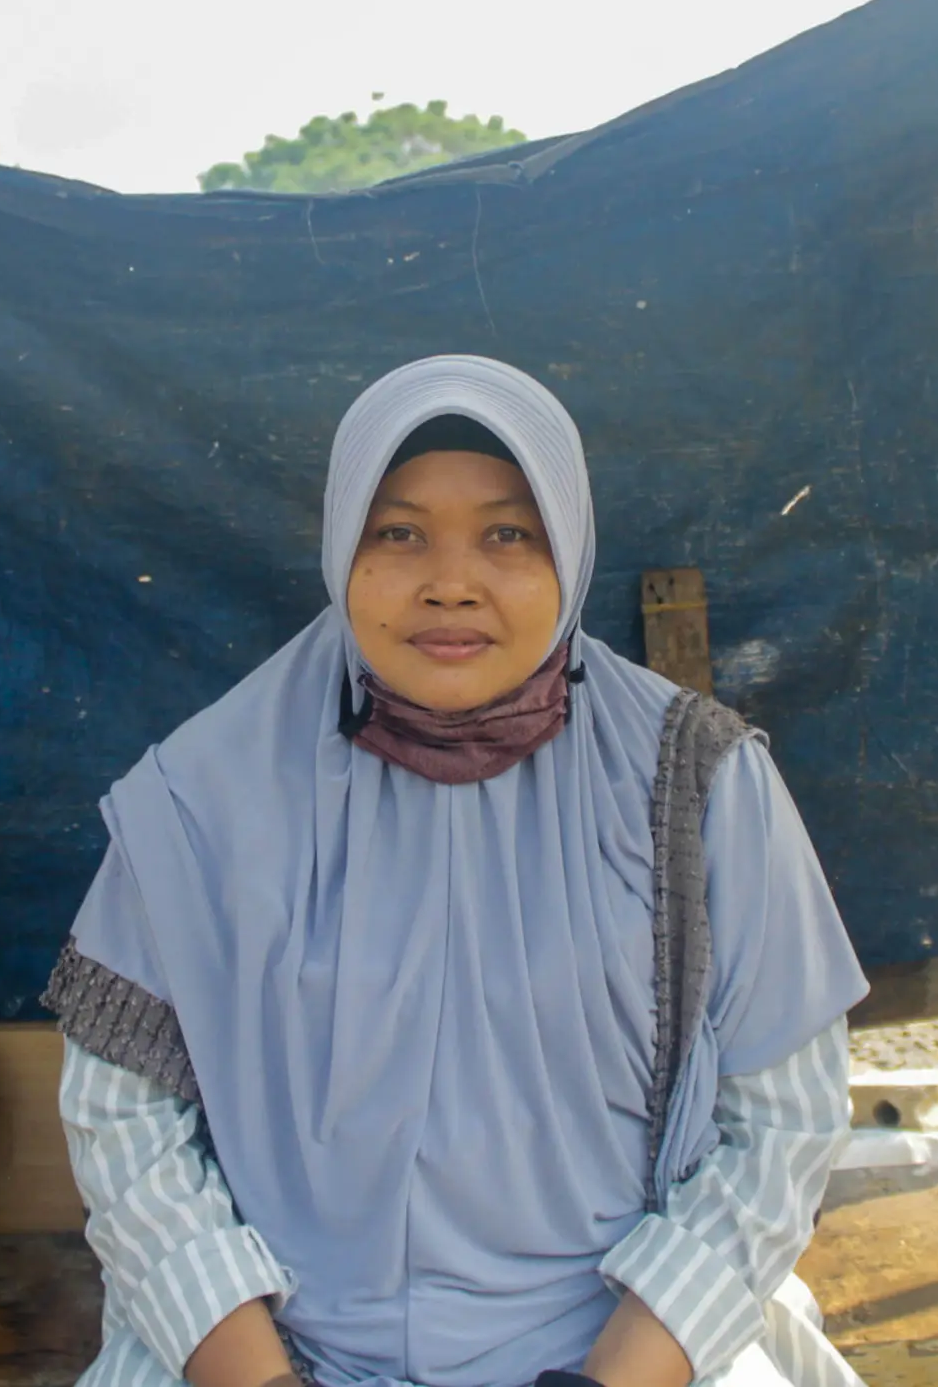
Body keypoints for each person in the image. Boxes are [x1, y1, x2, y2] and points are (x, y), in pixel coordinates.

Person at [45, 355, 870, 1387]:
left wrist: (611, 1378)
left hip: (622, 1348)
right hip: (263, 1349)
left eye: (507, 534)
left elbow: (780, 1126)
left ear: (569, 549)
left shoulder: (698, 786)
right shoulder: (202, 796)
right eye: (398, 534)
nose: (449, 582)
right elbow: (127, 1128)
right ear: (340, 548)